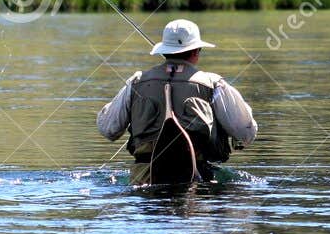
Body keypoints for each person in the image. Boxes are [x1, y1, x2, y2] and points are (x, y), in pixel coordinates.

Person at [97, 19, 257, 185]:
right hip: (200, 180)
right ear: (196, 51)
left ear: (165, 51)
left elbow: (108, 129)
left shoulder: (136, 82)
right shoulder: (213, 84)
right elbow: (246, 133)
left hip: (144, 179)